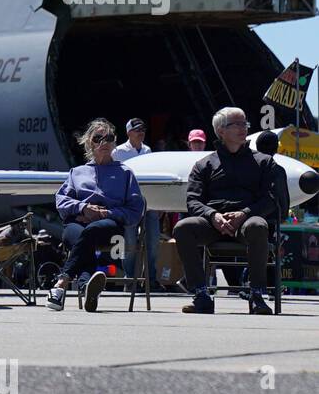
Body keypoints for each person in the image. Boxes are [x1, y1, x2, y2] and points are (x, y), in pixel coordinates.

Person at [173, 107, 278, 315]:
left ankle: (257, 295)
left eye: (244, 123)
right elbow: (193, 201)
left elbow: (271, 199)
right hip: (213, 223)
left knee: (258, 225)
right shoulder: (204, 165)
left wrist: (244, 213)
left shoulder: (263, 162)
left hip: (247, 222)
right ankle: (201, 294)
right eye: (236, 124)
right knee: (183, 227)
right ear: (221, 131)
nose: (243, 128)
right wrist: (213, 216)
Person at [47, 118, 146, 313]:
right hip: (80, 221)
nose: (104, 142)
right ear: (89, 142)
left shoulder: (125, 173)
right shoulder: (77, 172)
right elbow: (61, 201)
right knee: (77, 236)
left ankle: (61, 283)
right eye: (98, 138)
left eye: (109, 137)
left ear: (115, 142)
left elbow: (135, 211)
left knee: (89, 233)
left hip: (109, 225)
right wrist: (84, 208)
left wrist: (106, 213)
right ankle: (86, 287)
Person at [112, 117, 161, 287]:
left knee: (154, 241)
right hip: (128, 204)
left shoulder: (148, 150)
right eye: (137, 130)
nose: (141, 133)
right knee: (129, 242)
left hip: (148, 201)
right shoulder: (118, 152)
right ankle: (130, 279)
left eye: (143, 129)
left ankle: (151, 280)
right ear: (128, 132)